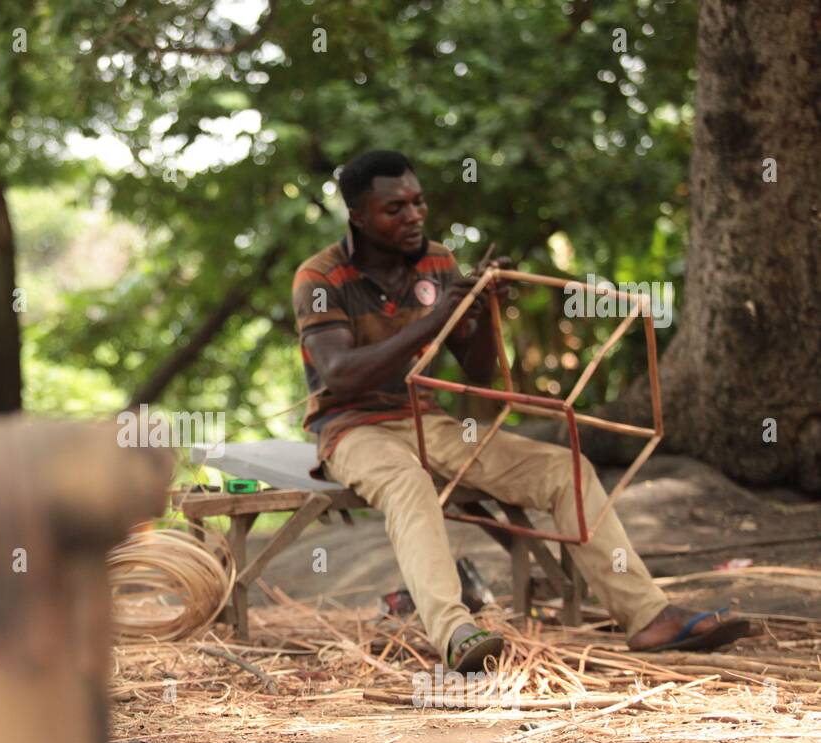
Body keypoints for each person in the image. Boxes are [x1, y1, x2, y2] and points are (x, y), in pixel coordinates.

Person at [294, 149, 752, 673]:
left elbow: (479, 373)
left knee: (565, 470)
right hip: (351, 430)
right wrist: (436, 318)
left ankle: (647, 616)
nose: (414, 216)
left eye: (419, 202)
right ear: (358, 217)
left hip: (429, 421)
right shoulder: (320, 276)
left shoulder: (437, 263)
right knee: (408, 483)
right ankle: (455, 633)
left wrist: (485, 306)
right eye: (394, 209)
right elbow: (342, 375)